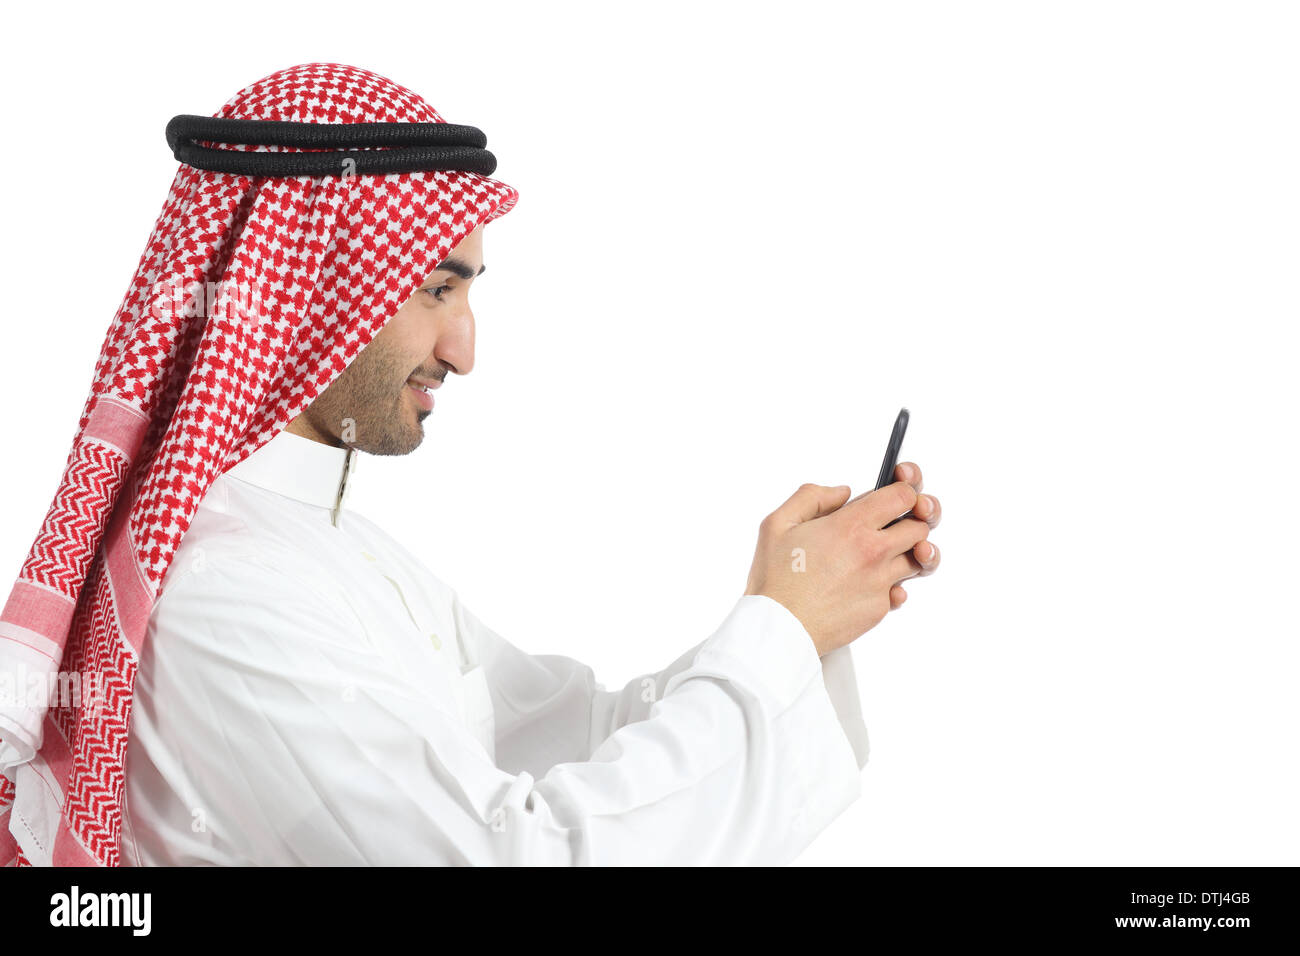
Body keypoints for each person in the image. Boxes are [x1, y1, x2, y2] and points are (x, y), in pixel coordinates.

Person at [0, 63, 942, 867]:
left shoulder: (322, 546)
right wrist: (776, 631)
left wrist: (799, 618)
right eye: (436, 288)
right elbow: (518, 855)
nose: (463, 349)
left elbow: (571, 739)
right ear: (319, 279)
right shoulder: (225, 599)